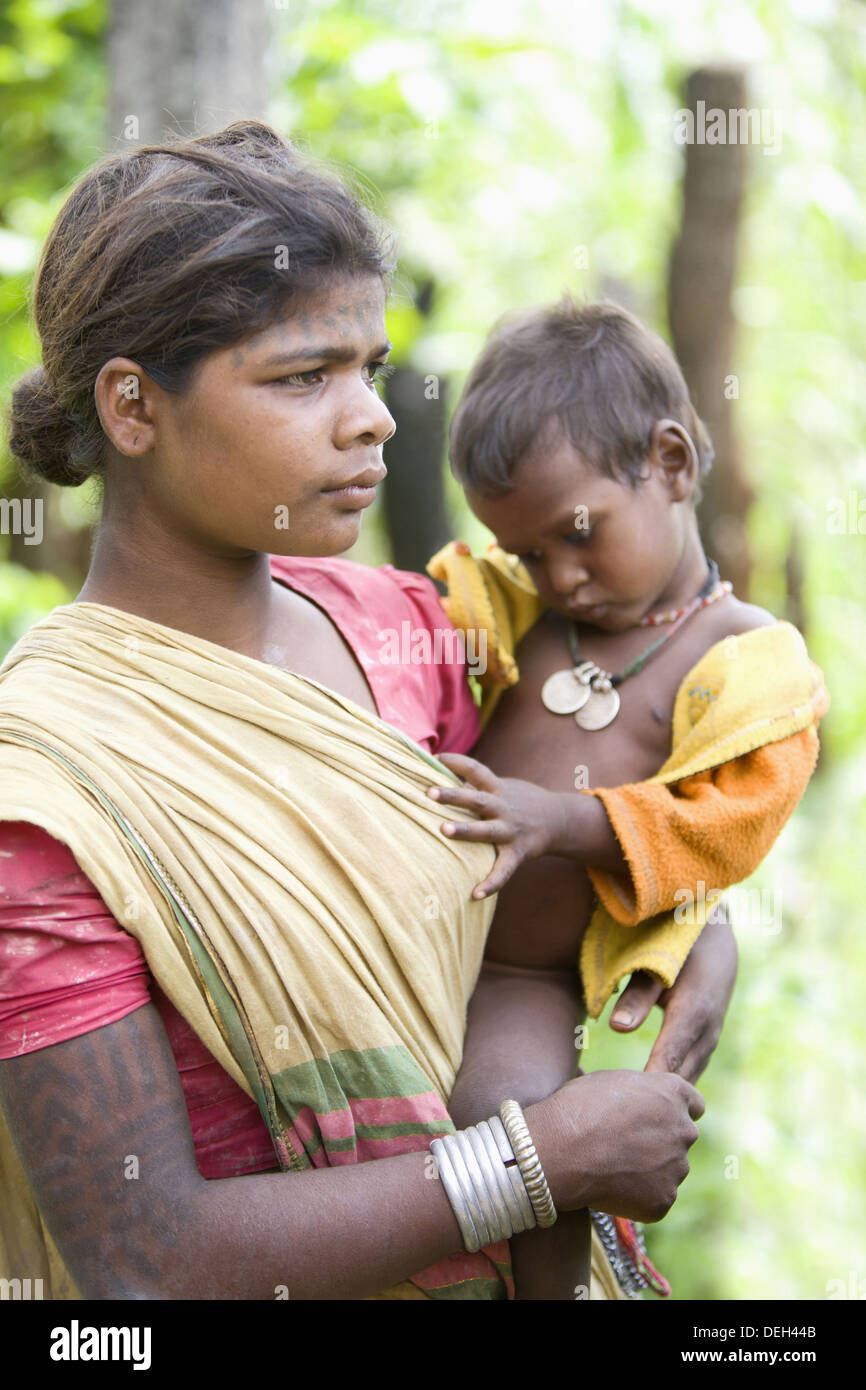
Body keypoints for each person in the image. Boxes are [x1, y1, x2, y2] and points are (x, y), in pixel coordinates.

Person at [0, 120, 705, 1302]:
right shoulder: (46, 794)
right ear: (131, 406)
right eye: (300, 377)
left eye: (368, 370)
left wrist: (696, 949)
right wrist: (540, 1162)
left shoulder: (416, 632)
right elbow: (142, 1260)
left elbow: (632, 812)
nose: (370, 417)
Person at [418, 296, 828, 1290]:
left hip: (522, 971)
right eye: (525, 552)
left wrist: (555, 818)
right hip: (411, 936)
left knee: (514, 1116)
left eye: (577, 533)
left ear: (672, 464)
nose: (559, 575)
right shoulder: (507, 612)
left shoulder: (736, 659)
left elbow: (720, 827)